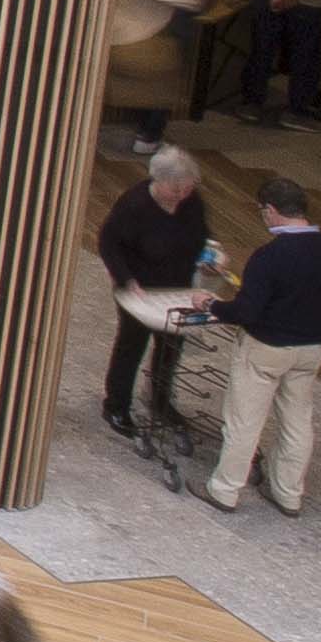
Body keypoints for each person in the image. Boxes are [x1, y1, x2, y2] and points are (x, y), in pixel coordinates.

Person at [201, 178, 321, 516]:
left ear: (271, 210)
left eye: (263, 212)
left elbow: (246, 312)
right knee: (297, 422)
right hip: (311, 350)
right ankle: (288, 494)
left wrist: (212, 305)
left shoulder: (269, 257)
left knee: (244, 422)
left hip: (265, 348)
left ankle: (225, 491)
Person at [93, 149, 213, 438]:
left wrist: (209, 256)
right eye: (176, 189)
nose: (181, 195)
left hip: (178, 284)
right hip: (140, 289)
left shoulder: (191, 202)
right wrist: (126, 279)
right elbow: (109, 243)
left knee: (172, 345)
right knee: (131, 344)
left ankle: (160, 399)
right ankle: (116, 404)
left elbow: (201, 234)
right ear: (158, 180)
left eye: (187, 189)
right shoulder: (135, 205)